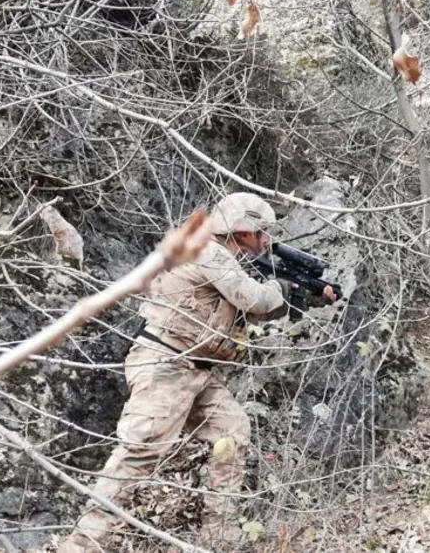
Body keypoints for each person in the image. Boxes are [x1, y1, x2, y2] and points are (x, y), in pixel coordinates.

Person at [58, 192, 337, 552]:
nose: (267, 241)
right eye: (261, 232)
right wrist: (282, 288)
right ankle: (81, 545)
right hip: (166, 364)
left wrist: (305, 297)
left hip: (196, 369)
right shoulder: (207, 251)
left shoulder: (225, 260)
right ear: (242, 230)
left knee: (232, 431)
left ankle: (218, 538)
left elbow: (252, 310)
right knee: (139, 453)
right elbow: (255, 298)